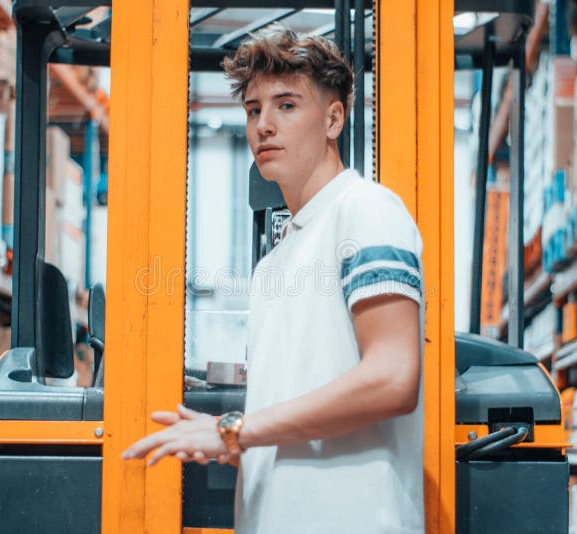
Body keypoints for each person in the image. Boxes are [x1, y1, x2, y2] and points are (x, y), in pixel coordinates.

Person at [122, 26, 425, 534]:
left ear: (333, 119)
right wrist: (226, 444)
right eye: (253, 110)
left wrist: (234, 431)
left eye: (286, 105)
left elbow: (394, 378)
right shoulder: (277, 261)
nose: (264, 125)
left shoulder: (365, 210)